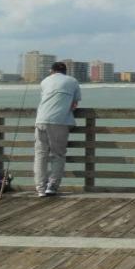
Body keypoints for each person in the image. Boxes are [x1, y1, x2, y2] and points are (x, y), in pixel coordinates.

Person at [34, 61, 81, 197]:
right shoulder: (72, 81)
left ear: (51, 71)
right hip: (59, 122)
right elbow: (75, 103)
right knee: (58, 155)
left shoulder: (44, 81)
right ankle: (52, 187)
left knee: (40, 155)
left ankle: (40, 189)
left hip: (41, 120)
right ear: (65, 71)